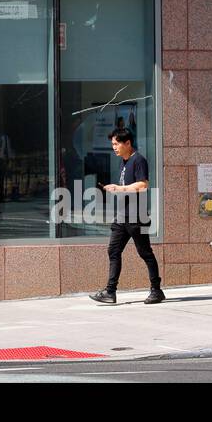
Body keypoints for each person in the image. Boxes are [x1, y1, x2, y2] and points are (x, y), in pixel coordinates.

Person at [90, 127, 164, 305]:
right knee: (113, 250)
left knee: (145, 252)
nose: (114, 147)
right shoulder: (123, 162)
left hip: (136, 216)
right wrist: (115, 190)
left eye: (116, 144)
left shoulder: (138, 160)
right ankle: (110, 291)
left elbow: (143, 185)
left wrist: (119, 188)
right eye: (113, 144)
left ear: (127, 143)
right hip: (122, 216)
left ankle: (156, 290)